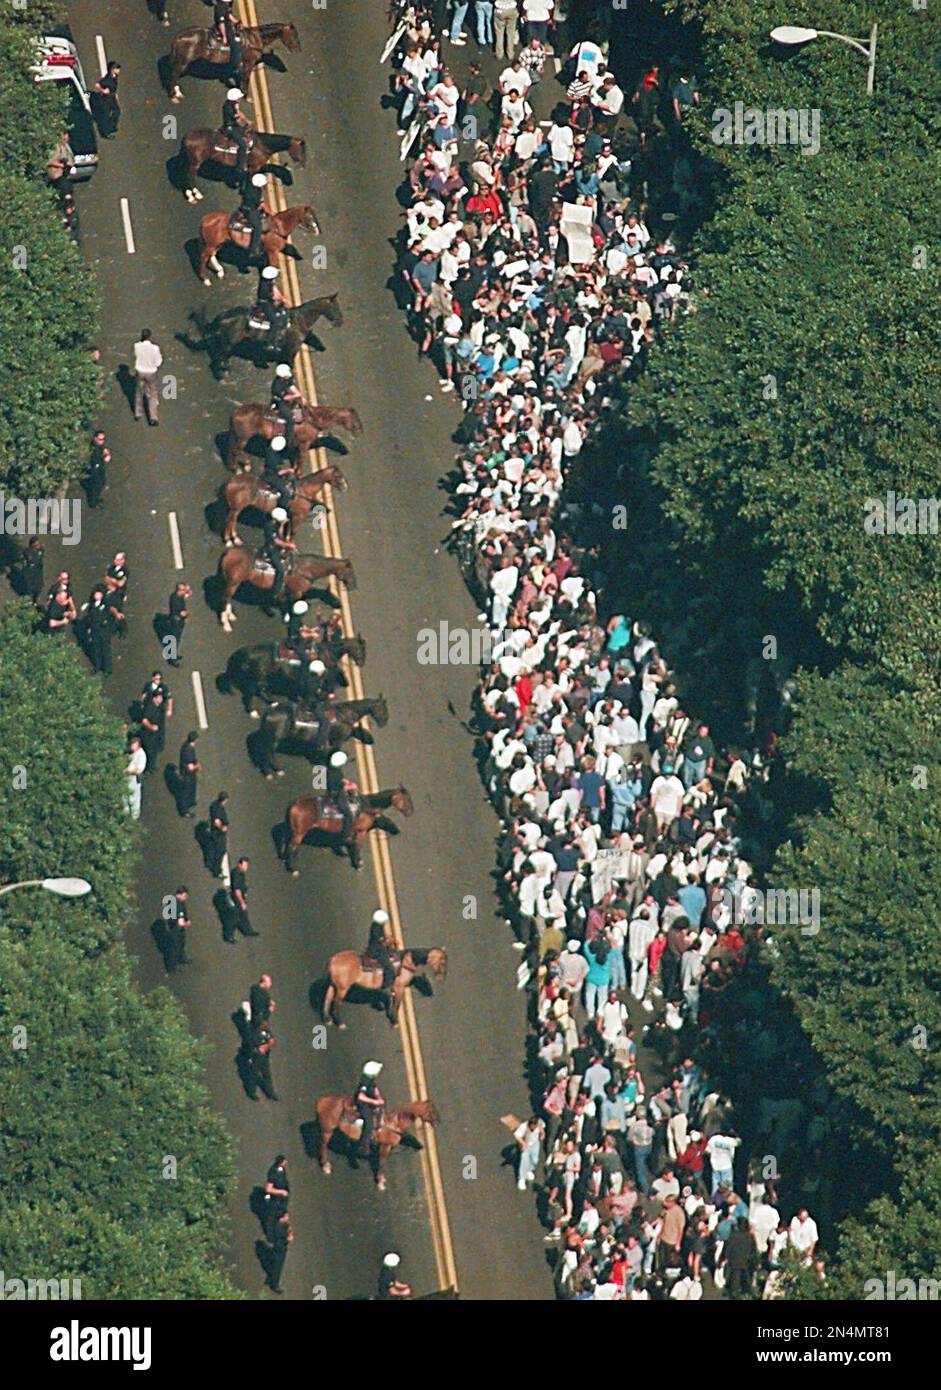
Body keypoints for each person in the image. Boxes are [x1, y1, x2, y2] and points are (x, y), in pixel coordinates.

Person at [81, 586, 122, 675]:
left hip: (104, 630)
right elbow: (89, 618)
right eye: (96, 593)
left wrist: (116, 614)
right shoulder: (91, 606)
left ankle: (107, 669)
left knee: (106, 650)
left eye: (99, 594)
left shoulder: (106, 604)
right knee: (96, 650)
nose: (98, 595)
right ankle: (97, 666)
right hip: (94, 630)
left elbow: (112, 609)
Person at [260, 506, 295, 600]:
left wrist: (283, 525)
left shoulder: (275, 524)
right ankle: (276, 591)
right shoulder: (269, 526)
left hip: (276, 547)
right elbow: (276, 541)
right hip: (271, 549)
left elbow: (280, 533)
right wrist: (288, 545)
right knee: (280, 570)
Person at [326, 749, 358, 846]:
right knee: (348, 814)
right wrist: (348, 786)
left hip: (338, 790)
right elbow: (335, 786)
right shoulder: (332, 773)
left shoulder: (334, 769)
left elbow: (341, 779)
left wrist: (347, 782)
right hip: (336, 795)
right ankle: (345, 836)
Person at [270, 362, 304, 449]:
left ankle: (300, 422)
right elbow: (285, 397)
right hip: (280, 402)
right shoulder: (277, 385)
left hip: (287, 399)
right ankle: (289, 441)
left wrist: (299, 395)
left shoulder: (286, 379)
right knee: (290, 419)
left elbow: (291, 386)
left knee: (299, 406)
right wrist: (295, 396)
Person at [253, 263, 288, 350]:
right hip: (265, 304)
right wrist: (281, 299)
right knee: (276, 321)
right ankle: (270, 342)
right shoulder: (265, 285)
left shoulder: (268, 282)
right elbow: (271, 296)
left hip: (268, 302)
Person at [355, 1060, 385, 1157]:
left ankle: (379, 1129)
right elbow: (361, 1096)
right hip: (363, 1105)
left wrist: (379, 1097)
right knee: (369, 1124)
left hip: (371, 1102)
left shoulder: (371, 1080)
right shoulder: (365, 1081)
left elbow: (375, 1089)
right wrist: (374, 1101)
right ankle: (363, 1145)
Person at [133, 329, 162, 425]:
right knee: (152, 394)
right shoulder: (155, 348)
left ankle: (138, 413)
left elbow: (136, 356)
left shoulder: (136, 346)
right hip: (151, 372)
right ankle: (153, 417)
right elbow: (158, 362)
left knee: (139, 392)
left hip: (140, 371)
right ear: (150, 337)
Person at [238, 171, 269, 261]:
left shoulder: (249, 185)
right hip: (249, 210)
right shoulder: (254, 193)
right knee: (258, 227)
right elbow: (258, 203)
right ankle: (253, 249)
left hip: (248, 206)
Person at [366, 908, 396, 997]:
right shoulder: (376, 929)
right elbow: (379, 940)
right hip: (376, 950)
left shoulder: (377, 926)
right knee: (389, 967)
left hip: (377, 947)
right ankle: (386, 987)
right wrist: (386, 942)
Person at [227, 856, 258, 940]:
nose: (246, 867)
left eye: (247, 865)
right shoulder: (236, 874)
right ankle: (229, 935)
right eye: (245, 865)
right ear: (239, 864)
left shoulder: (241, 872)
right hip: (236, 899)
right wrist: (242, 902)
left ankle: (248, 931)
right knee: (235, 917)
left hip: (240, 898)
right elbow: (237, 890)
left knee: (244, 915)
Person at [222, 86, 252, 174]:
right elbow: (238, 119)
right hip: (230, 128)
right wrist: (244, 124)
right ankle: (240, 166)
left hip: (234, 125)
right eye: (239, 98)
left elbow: (240, 114)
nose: (240, 99)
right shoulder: (229, 108)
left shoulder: (233, 104)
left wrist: (247, 121)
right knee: (243, 145)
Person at [247, 1023, 279, 1100]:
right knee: (254, 1074)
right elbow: (253, 1046)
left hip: (264, 1057)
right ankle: (251, 1092)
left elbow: (272, 1041)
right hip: (257, 1057)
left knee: (267, 1074)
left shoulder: (266, 1032)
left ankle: (271, 1093)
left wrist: (266, 1046)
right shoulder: (254, 1034)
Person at [262, 434, 294, 508]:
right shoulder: (272, 456)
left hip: (271, 474)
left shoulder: (270, 450)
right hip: (271, 476)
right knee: (286, 493)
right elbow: (278, 473)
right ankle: (280, 508)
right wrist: (288, 470)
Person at [93, 60, 121, 138]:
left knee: (117, 112)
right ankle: (106, 132)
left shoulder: (114, 77)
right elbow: (97, 85)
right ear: (112, 69)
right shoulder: (107, 79)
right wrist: (103, 90)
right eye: (117, 68)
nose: (119, 70)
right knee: (106, 115)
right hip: (106, 99)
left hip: (112, 98)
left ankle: (112, 127)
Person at [165, 582, 191, 667]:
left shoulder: (177, 596)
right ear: (179, 591)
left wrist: (187, 591)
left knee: (176, 640)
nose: (185, 591)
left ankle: (174, 655)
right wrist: (186, 613)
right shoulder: (175, 600)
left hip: (177, 621)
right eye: (183, 590)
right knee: (174, 640)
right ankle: (173, 659)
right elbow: (181, 613)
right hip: (176, 621)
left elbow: (187, 593)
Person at [264, 1155, 290, 1240]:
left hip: (281, 1199)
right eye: (284, 1161)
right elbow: (268, 1189)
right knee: (272, 1217)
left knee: (281, 1215)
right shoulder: (273, 1172)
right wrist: (281, 1192)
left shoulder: (282, 1169)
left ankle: (279, 1232)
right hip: (275, 1200)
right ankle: (271, 1236)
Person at [177, 730, 201, 817]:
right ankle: (184, 811)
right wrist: (197, 766)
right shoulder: (189, 751)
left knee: (191, 788)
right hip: (187, 775)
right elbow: (190, 767)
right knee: (186, 792)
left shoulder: (186, 745)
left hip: (186, 773)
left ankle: (191, 801)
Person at [83, 430, 110, 508]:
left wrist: (104, 451)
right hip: (95, 468)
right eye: (100, 439)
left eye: (103, 439)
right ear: (95, 438)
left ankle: (96, 498)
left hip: (99, 466)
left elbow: (102, 449)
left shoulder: (97, 445)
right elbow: (95, 458)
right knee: (97, 485)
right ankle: (93, 503)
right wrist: (105, 458)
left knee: (102, 481)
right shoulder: (93, 449)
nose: (102, 441)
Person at [267, 1211, 292, 1293]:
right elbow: (283, 1240)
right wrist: (288, 1239)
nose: (288, 1217)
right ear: (282, 1217)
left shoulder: (279, 1225)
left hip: (277, 1248)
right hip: (280, 1249)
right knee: (278, 1267)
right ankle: (274, 1285)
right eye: (286, 1216)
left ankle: (270, 1279)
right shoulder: (280, 1228)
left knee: (274, 1265)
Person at [207, 791, 230, 877]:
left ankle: (212, 864)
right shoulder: (219, 809)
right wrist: (222, 828)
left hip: (214, 832)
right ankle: (216, 870)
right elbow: (217, 822)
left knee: (214, 849)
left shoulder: (214, 804)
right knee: (220, 851)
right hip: (218, 833)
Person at [15, 537, 45, 602]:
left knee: (39, 586)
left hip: (38, 571)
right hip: (29, 572)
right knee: (29, 586)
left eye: (39, 544)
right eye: (36, 545)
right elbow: (24, 561)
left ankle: (35, 599)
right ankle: (26, 599)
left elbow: (40, 558)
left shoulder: (41, 550)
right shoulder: (27, 552)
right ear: (32, 545)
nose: (39, 546)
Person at [125, 735, 147, 820]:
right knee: (125, 796)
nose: (131, 747)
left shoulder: (141, 755)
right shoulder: (131, 752)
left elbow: (139, 771)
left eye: (133, 745)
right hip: (128, 778)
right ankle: (125, 814)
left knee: (134, 797)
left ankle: (134, 816)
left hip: (134, 779)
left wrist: (127, 771)